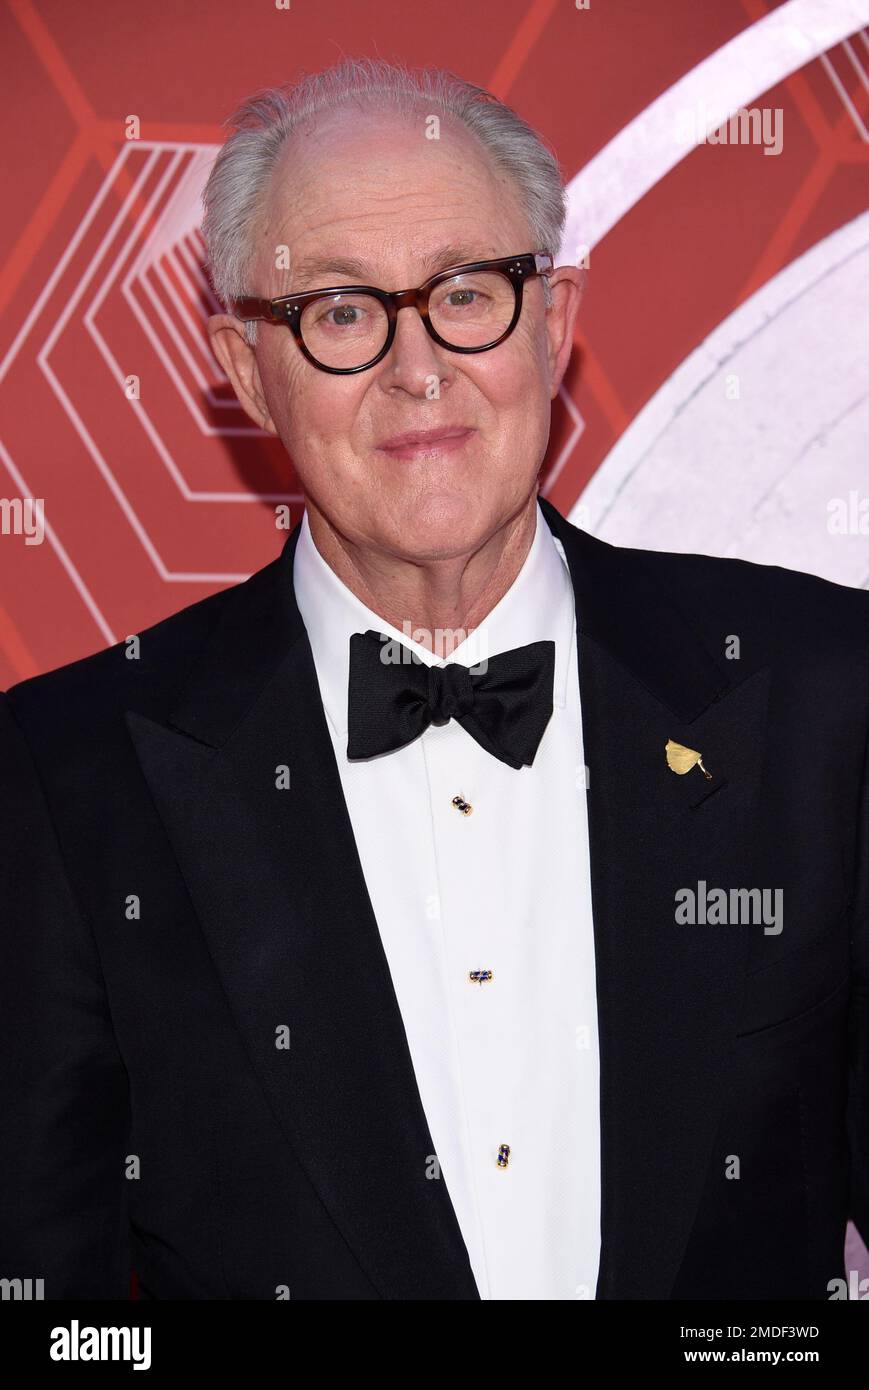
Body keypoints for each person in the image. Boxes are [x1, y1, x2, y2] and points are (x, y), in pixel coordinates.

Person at [1, 57, 867, 1301]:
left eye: (467, 292)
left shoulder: (822, 703)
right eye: (343, 312)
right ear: (245, 370)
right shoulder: (64, 778)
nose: (420, 369)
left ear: (555, 321)